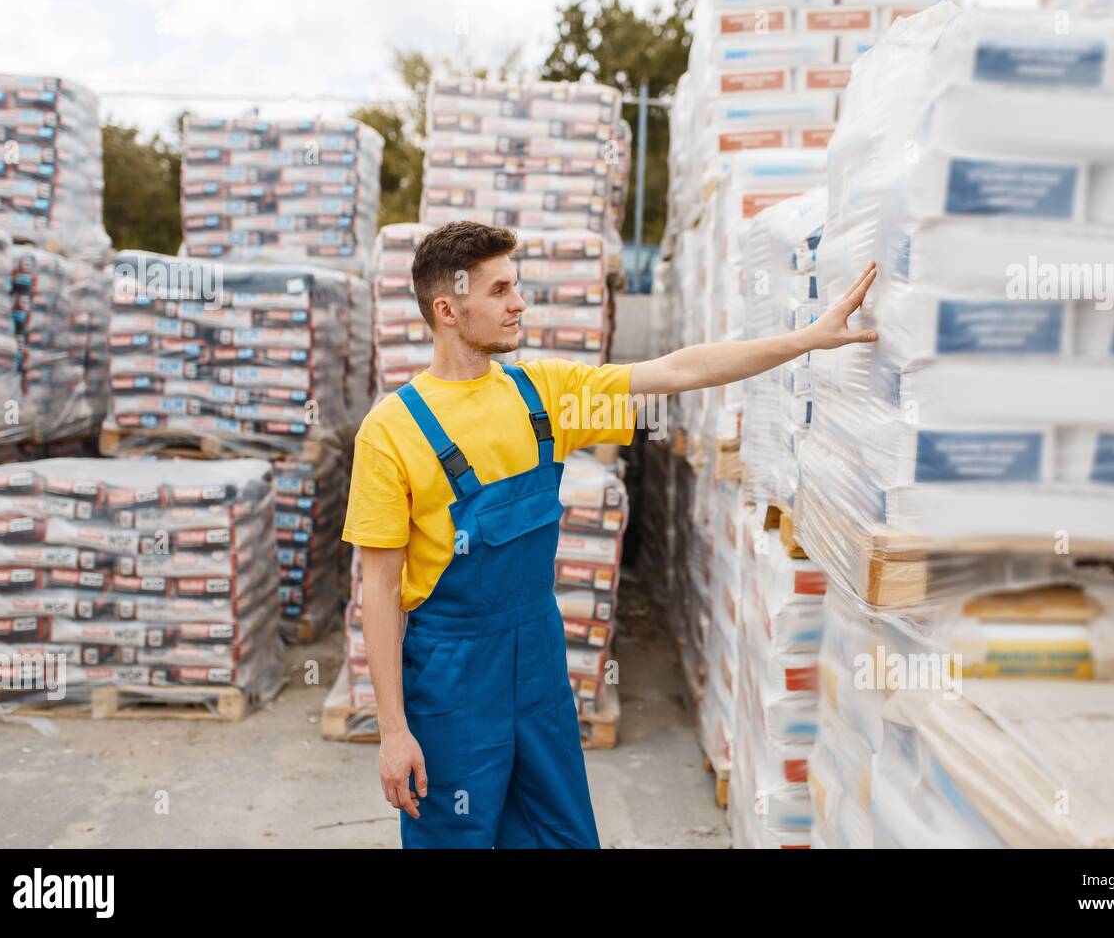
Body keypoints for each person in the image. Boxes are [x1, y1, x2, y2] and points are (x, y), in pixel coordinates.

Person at [340, 220, 877, 849]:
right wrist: (393, 731)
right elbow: (376, 591)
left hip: (538, 663)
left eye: (518, 286)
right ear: (447, 309)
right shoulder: (390, 432)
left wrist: (806, 340)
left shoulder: (543, 394)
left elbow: (676, 371)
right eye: (500, 290)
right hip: (452, 680)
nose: (519, 303)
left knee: (560, 835)